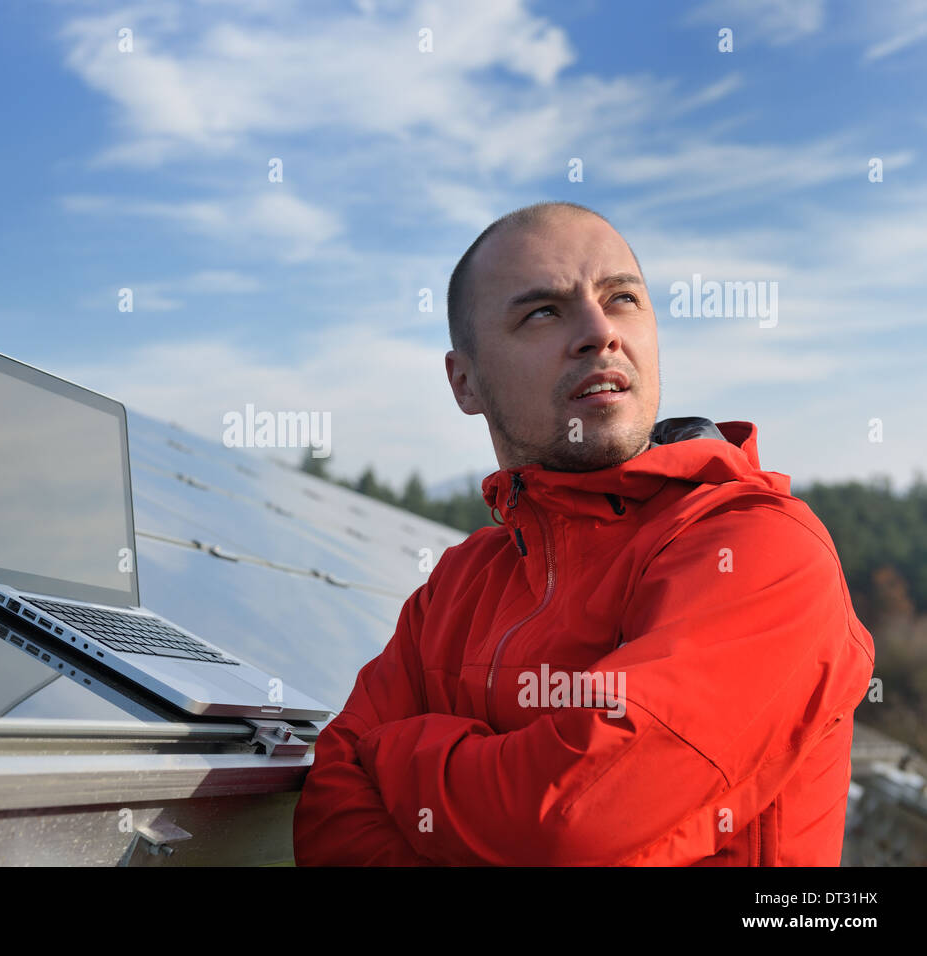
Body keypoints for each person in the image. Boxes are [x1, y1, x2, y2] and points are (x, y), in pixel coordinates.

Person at [292, 201, 876, 865]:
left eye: (622, 298)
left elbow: (570, 819)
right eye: (543, 311)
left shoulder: (757, 550)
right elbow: (330, 806)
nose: (600, 333)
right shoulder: (459, 584)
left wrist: (392, 754)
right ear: (464, 381)